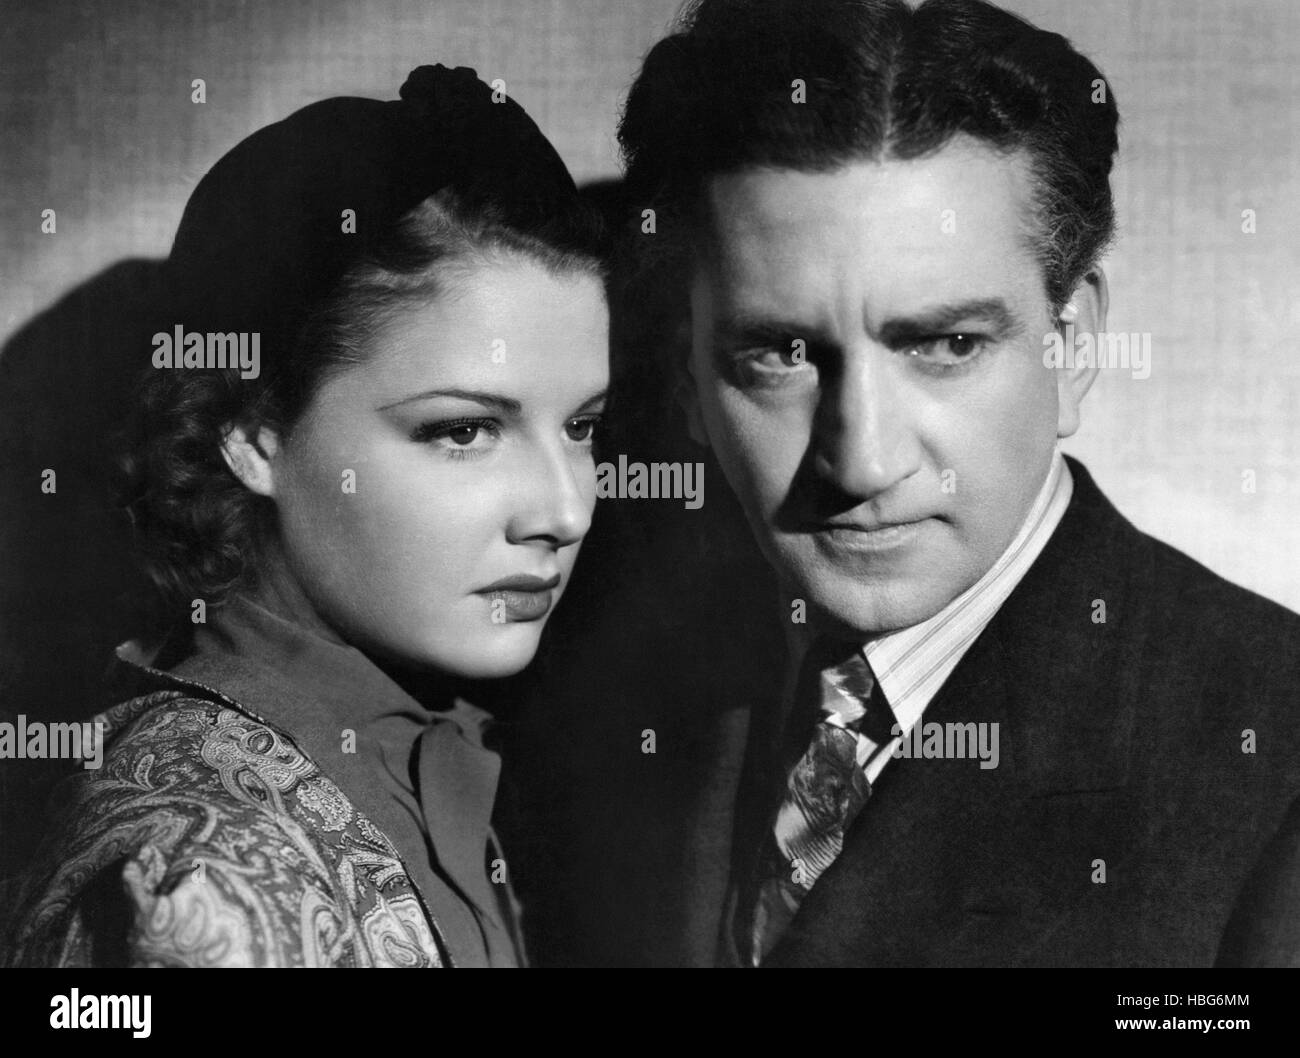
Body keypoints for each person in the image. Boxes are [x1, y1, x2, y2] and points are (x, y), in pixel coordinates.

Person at [525, 0, 1300, 967]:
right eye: (780, 355)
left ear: (1078, 346)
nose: (862, 462)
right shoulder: (588, 690)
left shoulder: (1272, 770)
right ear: (685, 374)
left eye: (946, 345)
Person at [1, 64, 609, 967]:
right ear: (252, 437)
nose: (565, 509)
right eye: (464, 431)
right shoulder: (202, 886)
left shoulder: (412, 751)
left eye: (583, 427)